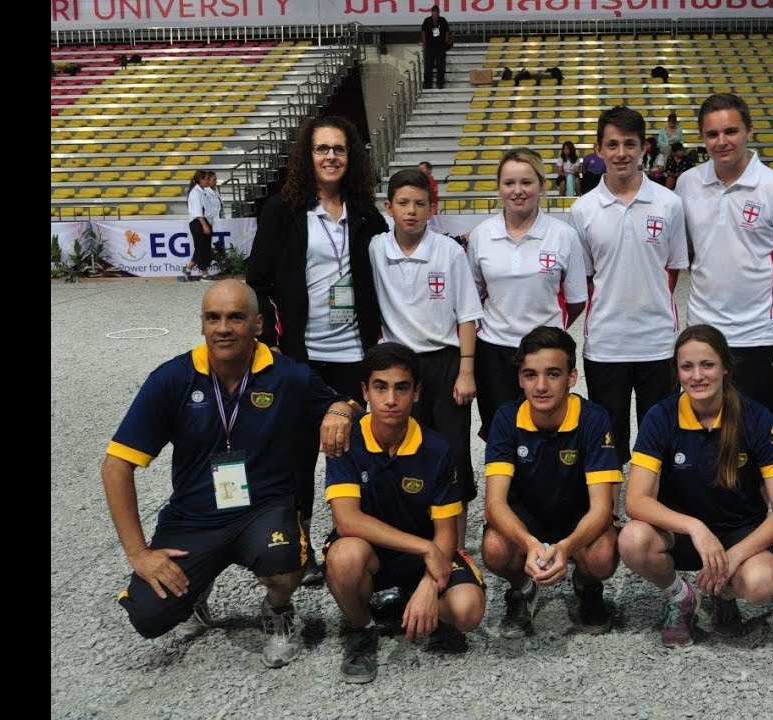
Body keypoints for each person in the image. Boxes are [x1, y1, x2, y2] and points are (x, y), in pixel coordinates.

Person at [102, 279, 355, 669]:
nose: (223, 327)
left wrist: (339, 411)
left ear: (257, 325)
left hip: (264, 508)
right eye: (213, 317)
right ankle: (195, 595)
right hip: (195, 515)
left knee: (286, 566)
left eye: (236, 317)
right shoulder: (172, 379)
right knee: (150, 616)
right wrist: (138, 553)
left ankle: (277, 611)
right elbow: (116, 466)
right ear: (202, 324)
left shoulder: (287, 376)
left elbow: (344, 401)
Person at [246, 115, 388, 584]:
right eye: (322, 149)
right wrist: (273, 347)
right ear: (307, 156)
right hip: (302, 356)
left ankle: (353, 542)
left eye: (340, 149)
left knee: (354, 450)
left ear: (352, 157)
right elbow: (258, 280)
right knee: (299, 452)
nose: (331, 157)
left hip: (354, 353)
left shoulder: (365, 213)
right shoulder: (282, 211)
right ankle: (300, 544)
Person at [618, 325, 773, 647]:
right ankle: (680, 596)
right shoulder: (661, 416)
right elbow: (635, 501)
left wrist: (734, 557)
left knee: (761, 584)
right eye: (687, 367)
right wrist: (696, 528)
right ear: (677, 372)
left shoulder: (756, 418)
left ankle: (723, 593)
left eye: (707, 365)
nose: (697, 376)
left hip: (739, 532)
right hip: (684, 534)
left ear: (725, 367)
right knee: (632, 539)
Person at [324, 342, 486, 682]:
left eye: (401, 388)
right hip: (374, 553)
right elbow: (346, 519)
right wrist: (424, 548)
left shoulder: (438, 448)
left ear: (416, 393)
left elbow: (446, 535)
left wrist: (429, 583)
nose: (390, 399)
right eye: (380, 387)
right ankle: (363, 628)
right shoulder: (346, 439)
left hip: (423, 556)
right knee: (344, 556)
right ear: (365, 390)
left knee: (469, 610)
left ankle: (408, 608)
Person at [674, 93, 773, 418]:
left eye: (730, 131)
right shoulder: (687, 184)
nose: (721, 141)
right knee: (702, 426)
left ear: (749, 130)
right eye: (712, 134)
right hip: (703, 331)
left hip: (759, 336)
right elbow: (689, 252)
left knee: (757, 428)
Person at [482, 326, 621, 637]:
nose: (541, 386)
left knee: (603, 555)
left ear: (572, 377)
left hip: (576, 519)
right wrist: (530, 543)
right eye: (530, 375)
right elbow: (494, 504)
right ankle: (523, 588)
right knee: (494, 547)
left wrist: (567, 547)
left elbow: (603, 506)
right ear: (520, 379)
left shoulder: (594, 419)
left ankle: (587, 586)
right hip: (527, 521)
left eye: (553, 374)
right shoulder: (505, 418)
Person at [570, 105, 687, 470]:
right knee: (609, 442)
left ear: (643, 149)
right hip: (606, 343)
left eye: (630, 144)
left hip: (657, 341)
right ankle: (609, 515)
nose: (621, 153)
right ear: (598, 149)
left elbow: (672, 269)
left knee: (659, 440)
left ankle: (653, 513)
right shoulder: (583, 209)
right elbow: (587, 277)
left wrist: (646, 300)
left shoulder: (669, 204)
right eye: (613, 144)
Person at [371, 167, 483, 550]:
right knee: (404, 452)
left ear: (432, 208)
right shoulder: (376, 249)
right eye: (403, 203)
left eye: (420, 204)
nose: (412, 211)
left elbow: (468, 314)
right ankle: (414, 541)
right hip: (400, 367)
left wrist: (466, 371)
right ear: (389, 208)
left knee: (453, 455)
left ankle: (457, 549)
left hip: (447, 363)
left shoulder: (449, 251)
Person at [467, 148, 587, 447]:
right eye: (509, 183)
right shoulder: (481, 235)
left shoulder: (562, 235)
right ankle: (502, 492)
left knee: (547, 427)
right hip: (494, 352)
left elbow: (576, 300)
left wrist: (547, 333)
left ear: (541, 185)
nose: (518, 191)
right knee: (500, 428)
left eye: (526, 182)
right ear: (499, 188)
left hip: (545, 352)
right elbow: (472, 297)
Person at [181, 170, 215, 281]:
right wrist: (204, 225)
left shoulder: (201, 191)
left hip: (202, 221)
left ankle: (188, 269)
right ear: (201, 180)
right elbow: (198, 212)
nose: (207, 181)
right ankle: (204, 273)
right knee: (202, 248)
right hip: (198, 222)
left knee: (202, 247)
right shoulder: (195, 193)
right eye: (206, 179)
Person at [420, 5, 452, 90]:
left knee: (441, 65)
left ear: (439, 12)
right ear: (431, 13)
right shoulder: (427, 21)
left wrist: (445, 42)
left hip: (440, 46)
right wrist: (424, 43)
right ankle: (427, 84)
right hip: (430, 46)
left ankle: (440, 83)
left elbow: (447, 32)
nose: (435, 14)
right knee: (428, 65)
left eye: (436, 13)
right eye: (433, 13)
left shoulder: (443, 20)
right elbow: (423, 31)